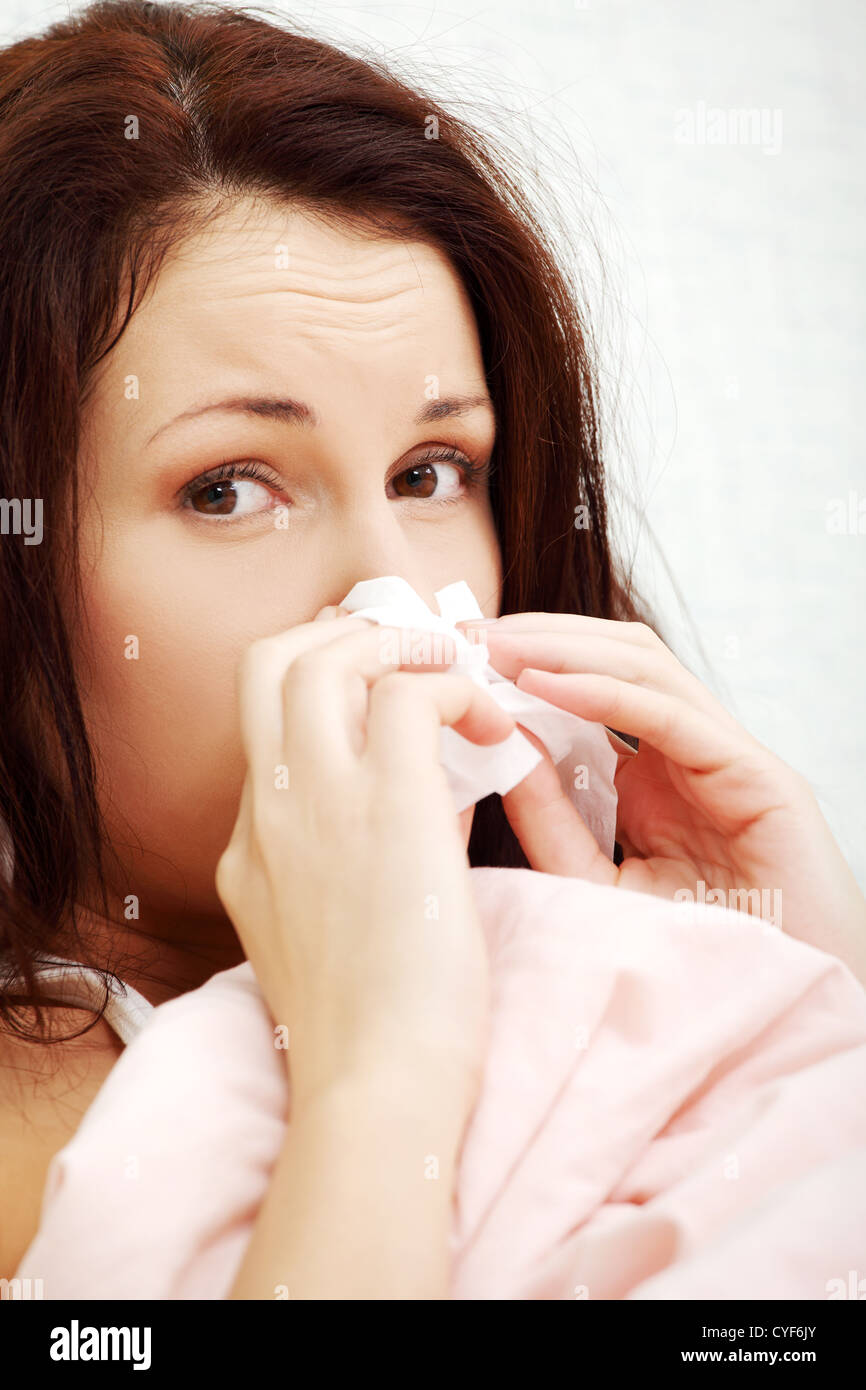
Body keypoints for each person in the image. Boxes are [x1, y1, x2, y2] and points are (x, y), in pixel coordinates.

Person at [0, 0, 863, 1298]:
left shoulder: (588, 967)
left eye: (430, 468)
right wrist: (376, 1069)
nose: (392, 595)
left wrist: (782, 1003)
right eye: (228, 487)